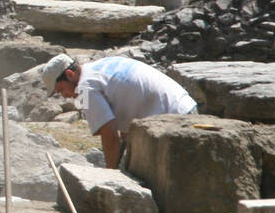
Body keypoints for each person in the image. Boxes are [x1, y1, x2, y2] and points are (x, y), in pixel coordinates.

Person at [42, 53, 197, 169]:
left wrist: (110, 176)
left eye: (61, 89)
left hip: (173, 127)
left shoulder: (85, 88)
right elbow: (123, 130)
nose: (65, 96)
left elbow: (109, 135)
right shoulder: (102, 65)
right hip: (187, 108)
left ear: (70, 75)